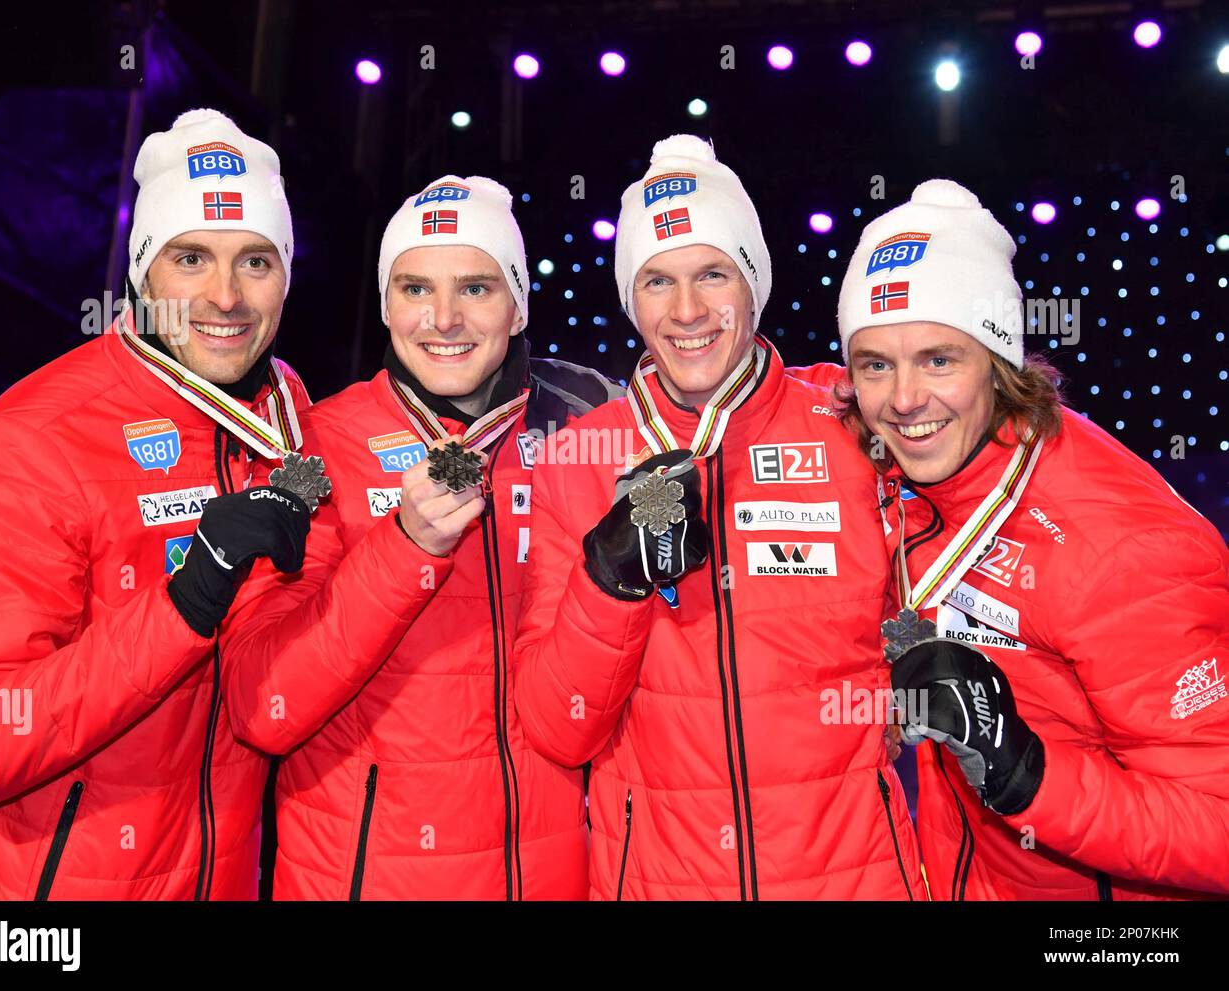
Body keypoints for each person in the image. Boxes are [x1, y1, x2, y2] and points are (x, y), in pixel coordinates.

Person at [512, 135, 924, 899]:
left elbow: (935, 584)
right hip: (661, 878)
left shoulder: (846, 417)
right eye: (657, 281)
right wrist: (611, 579)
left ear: (754, 282)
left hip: (854, 874)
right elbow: (557, 727)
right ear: (631, 299)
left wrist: (912, 681)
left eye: (712, 274)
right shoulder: (579, 455)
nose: (688, 311)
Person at [0, 109, 313, 899]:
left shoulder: (287, 414)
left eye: (256, 261)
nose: (225, 296)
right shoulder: (38, 435)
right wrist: (182, 606)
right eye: (191, 257)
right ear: (142, 271)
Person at [219, 174, 618, 899]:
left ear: (519, 304)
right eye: (413, 289)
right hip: (368, 876)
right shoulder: (316, 445)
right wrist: (405, 548)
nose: (443, 318)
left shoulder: (583, 430)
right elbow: (263, 709)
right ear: (385, 305)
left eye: (475, 287)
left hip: (549, 873)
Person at [836, 177, 1229, 899]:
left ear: (1000, 359)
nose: (904, 399)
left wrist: (1026, 772)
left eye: (939, 358)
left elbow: (1219, 827)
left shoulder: (1123, 547)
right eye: (875, 365)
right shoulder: (916, 483)